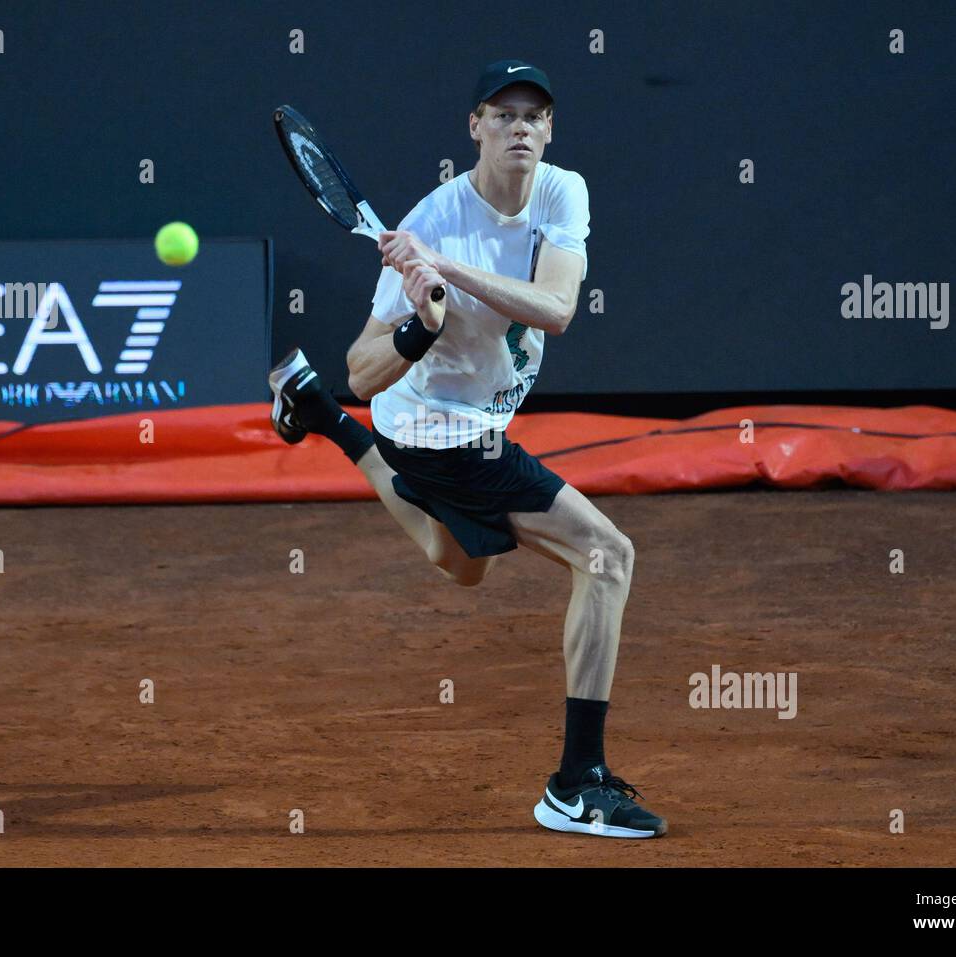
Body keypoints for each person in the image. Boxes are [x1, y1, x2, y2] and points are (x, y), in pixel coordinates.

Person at [267, 60, 665, 838]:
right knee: (606, 555)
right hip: (439, 433)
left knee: (463, 566)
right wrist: (420, 329)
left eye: (535, 116)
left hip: (472, 422)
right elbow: (362, 366)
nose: (521, 128)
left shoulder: (559, 190)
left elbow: (555, 310)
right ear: (475, 127)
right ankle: (576, 783)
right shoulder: (435, 218)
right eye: (503, 114)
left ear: (549, 129)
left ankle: (315, 414)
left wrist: (447, 271)